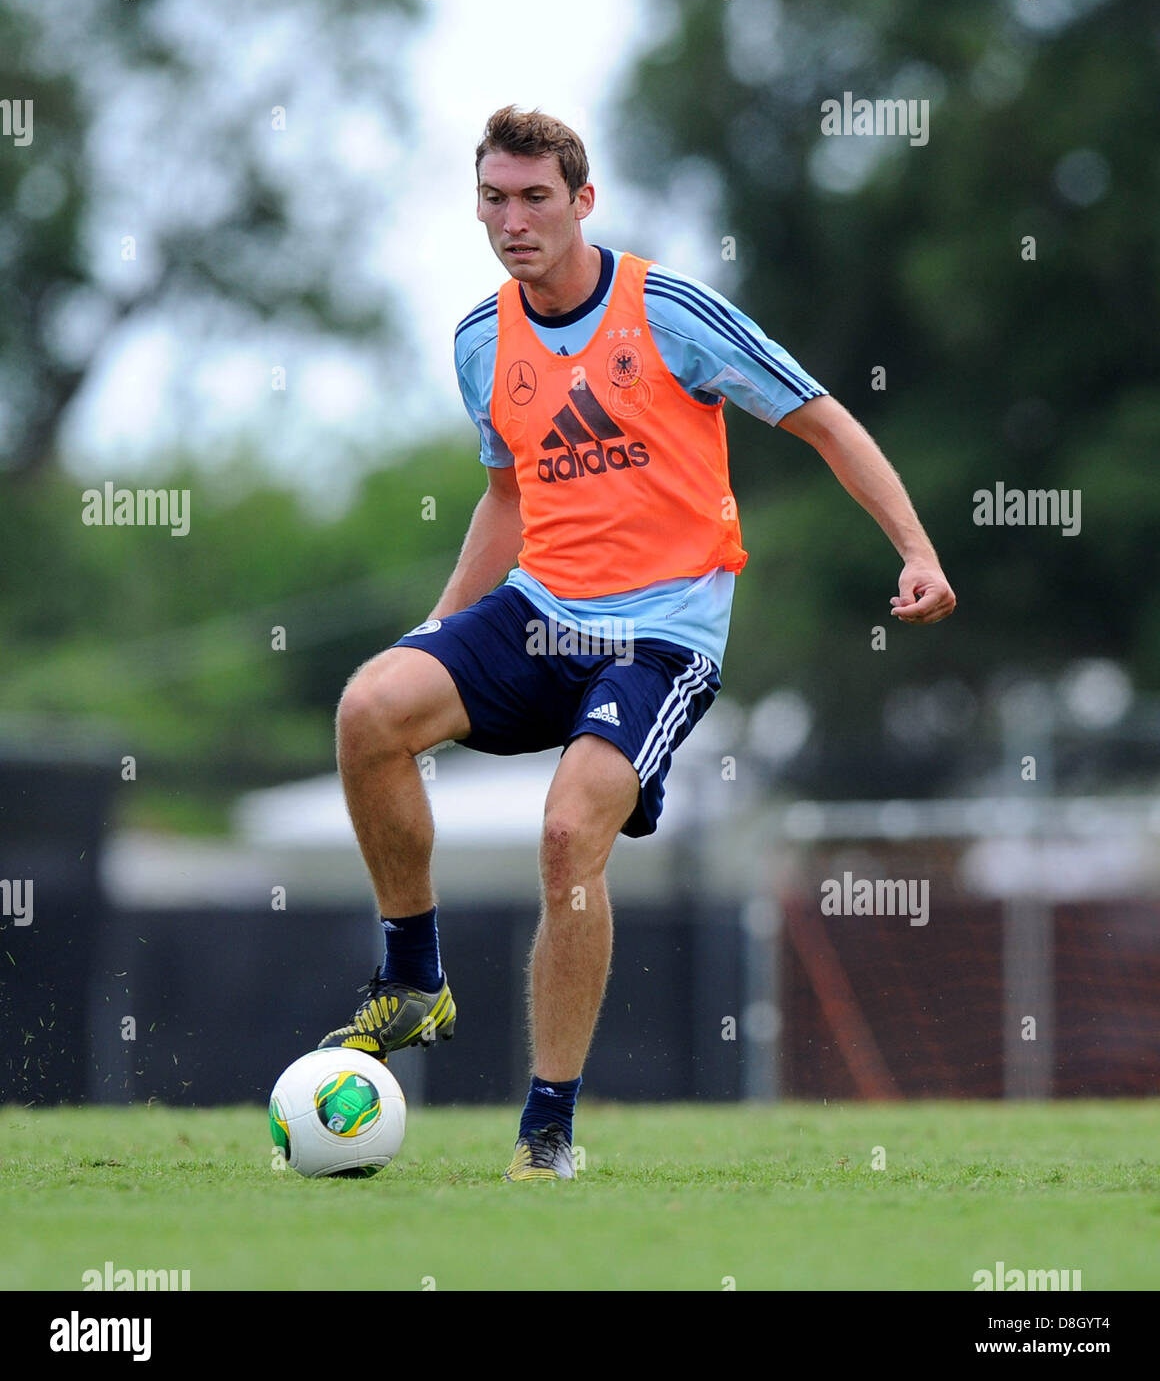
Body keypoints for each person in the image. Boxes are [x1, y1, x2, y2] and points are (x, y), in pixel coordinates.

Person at [319, 105, 956, 1180]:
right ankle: (413, 978)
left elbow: (821, 418)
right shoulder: (482, 339)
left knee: (569, 836)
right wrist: (434, 629)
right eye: (493, 197)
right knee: (370, 706)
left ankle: (547, 1128)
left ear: (581, 200)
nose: (512, 219)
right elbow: (506, 499)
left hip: (659, 635)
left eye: (534, 197)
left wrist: (916, 550)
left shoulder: (667, 309)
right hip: (533, 612)